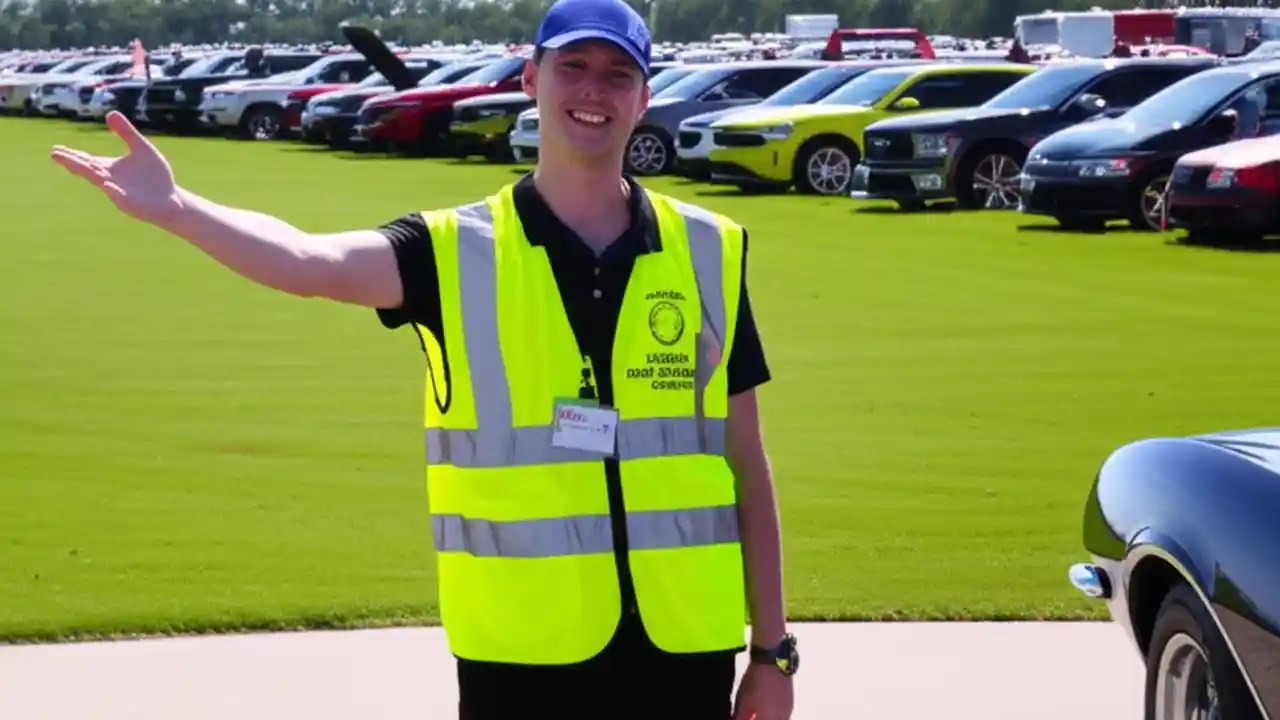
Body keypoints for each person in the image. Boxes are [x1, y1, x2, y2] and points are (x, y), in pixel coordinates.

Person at [48, 0, 796, 718]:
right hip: (522, 655)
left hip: (683, 653)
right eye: (573, 67)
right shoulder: (454, 249)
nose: (593, 91)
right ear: (532, 82)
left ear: (643, 97)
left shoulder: (709, 250)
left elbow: (746, 466)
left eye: (617, 74)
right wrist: (181, 211)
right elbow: (312, 260)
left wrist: (772, 654)